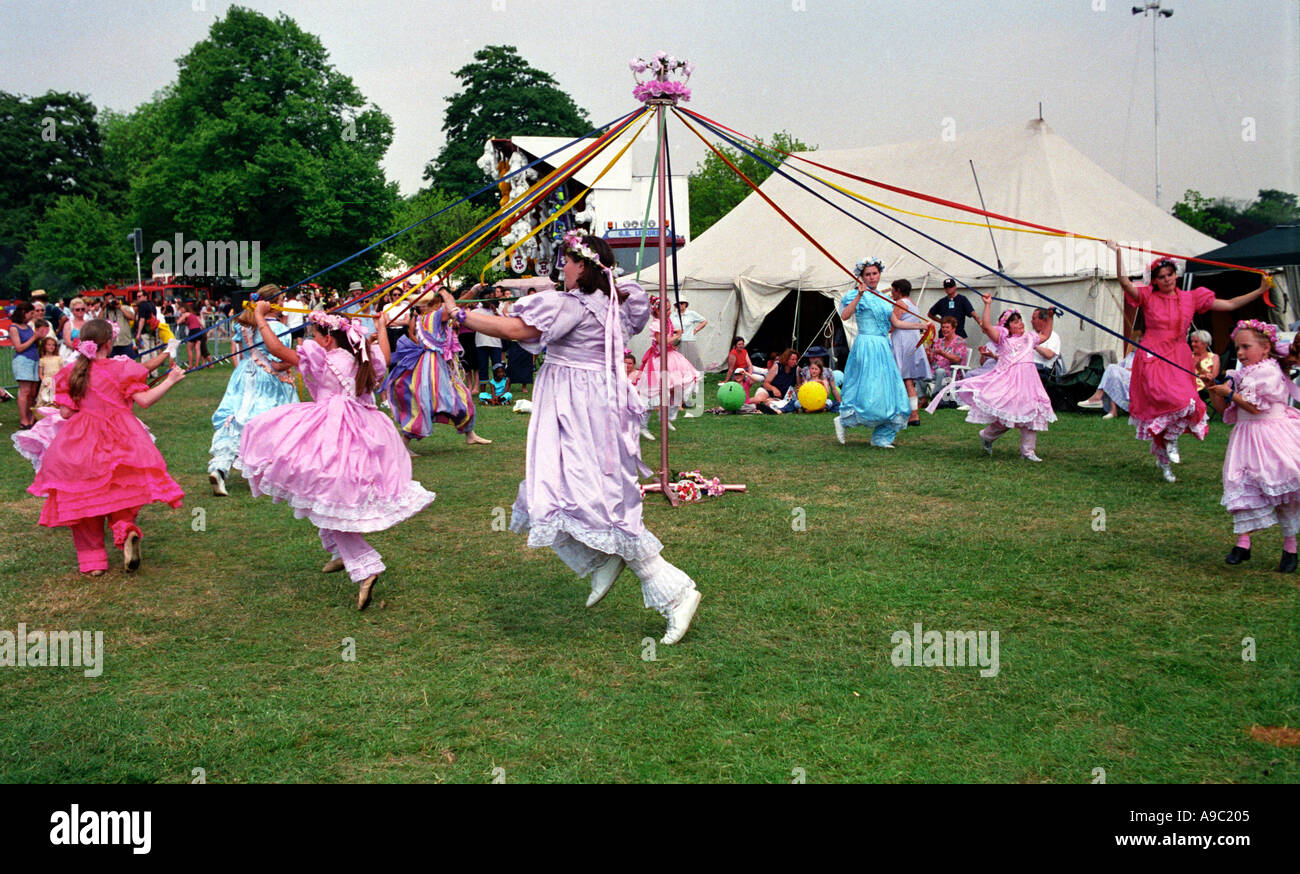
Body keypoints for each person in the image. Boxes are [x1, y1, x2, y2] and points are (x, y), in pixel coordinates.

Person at [441, 232, 701, 644]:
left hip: (577, 407)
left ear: (583, 266)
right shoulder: (609, 303)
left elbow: (512, 329)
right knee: (559, 489)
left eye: (566, 261)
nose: (560, 268)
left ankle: (675, 593)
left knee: (580, 494)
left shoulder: (574, 306)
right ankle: (602, 561)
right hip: (589, 404)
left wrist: (458, 314)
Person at [239, 303, 436, 610]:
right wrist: (381, 326)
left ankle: (366, 566)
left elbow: (277, 349)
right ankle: (337, 552)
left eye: (315, 335)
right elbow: (383, 355)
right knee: (325, 491)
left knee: (328, 497)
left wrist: (261, 318)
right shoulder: (362, 357)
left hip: (334, 431)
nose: (313, 341)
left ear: (328, 339)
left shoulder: (323, 358)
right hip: (366, 430)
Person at [26, 319, 187, 575]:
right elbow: (144, 400)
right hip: (121, 439)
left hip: (80, 441)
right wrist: (171, 380)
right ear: (109, 342)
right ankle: (125, 530)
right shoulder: (123, 368)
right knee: (119, 492)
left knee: (84, 498)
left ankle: (93, 562)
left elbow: (66, 413)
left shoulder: (72, 372)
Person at [1106, 240, 1270, 482]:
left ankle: (1168, 448)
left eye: (1170, 274)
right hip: (1153, 355)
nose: (1166, 280)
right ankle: (1167, 451)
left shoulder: (1191, 298)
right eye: (1161, 276)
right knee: (1167, 402)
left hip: (1179, 355)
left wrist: (1259, 290)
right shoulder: (1148, 297)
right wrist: (1118, 253)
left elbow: (1231, 304)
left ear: (1175, 275)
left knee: (1188, 402)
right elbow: (1124, 282)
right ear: (1154, 280)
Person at [1205, 321, 1300, 573]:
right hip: (1246, 438)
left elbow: (1255, 407)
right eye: (1238, 348)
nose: (1240, 353)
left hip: (1272, 437)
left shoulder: (1268, 373)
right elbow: (1223, 409)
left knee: (1282, 493)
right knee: (1240, 484)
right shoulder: (1242, 374)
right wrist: (1214, 387)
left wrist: (1229, 392)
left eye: (1246, 347)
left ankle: (1290, 548)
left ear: (1266, 348)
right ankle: (1242, 543)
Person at [927, 297, 1056, 461]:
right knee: (1006, 416)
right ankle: (987, 436)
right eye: (1015, 322)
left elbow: (1045, 334)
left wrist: (1050, 317)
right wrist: (987, 305)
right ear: (1007, 326)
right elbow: (987, 326)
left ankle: (1028, 451)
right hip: (1010, 382)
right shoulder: (1003, 340)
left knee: (1031, 413)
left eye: (1020, 321)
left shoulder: (1029, 338)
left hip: (1029, 383)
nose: (1020, 324)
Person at [207, 295, 299, 497]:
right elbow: (279, 360)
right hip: (269, 379)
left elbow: (240, 354)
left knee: (236, 418)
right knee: (270, 421)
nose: (282, 305)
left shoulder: (244, 325)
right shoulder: (279, 329)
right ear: (272, 304)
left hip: (243, 375)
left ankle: (220, 467)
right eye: (281, 300)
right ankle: (267, 472)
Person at [375, 289, 491, 448]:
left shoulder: (422, 318)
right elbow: (454, 306)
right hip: (432, 366)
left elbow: (453, 307)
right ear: (431, 305)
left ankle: (469, 434)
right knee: (431, 400)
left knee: (451, 396)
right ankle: (404, 445)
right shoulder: (434, 316)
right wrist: (473, 291)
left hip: (434, 365)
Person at [833, 257, 910, 447]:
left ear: (879, 274)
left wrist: (922, 325)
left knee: (887, 388)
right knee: (865, 387)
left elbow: (897, 323)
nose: (872, 277)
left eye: (875, 273)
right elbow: (845, 315)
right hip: (866, 344)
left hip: (883, 346)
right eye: (868, 274)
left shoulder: (884, 298)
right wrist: (859, 295)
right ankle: (843, 420)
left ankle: (881, 437)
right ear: (862, 277)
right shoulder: (854, 295)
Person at [638, 296, 700, 427]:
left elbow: (668, 336)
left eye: (669, 309)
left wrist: (675, 333)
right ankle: (642, 425)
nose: (669, 312)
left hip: (672, 357)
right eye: (666, 310)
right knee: (655, 392)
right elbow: (662, 341)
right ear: (657, 312)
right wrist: (676, 336)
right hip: (659, 360)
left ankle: (666, 418)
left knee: (677, 388)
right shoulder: (656, 324)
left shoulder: (667, 321)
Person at [889, 279, 932, 426]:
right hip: (912, 340)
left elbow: (893, 325)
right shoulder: (914, 304)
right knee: (908, 381)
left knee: (903, 378)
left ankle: (908, 413)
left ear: (899, 291)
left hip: (903, 341)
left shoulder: (901, 304)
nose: (891, 293)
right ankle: (913, 413)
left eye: (893, 290)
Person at [1078, 328, 1143, 419]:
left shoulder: (1147, 354)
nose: (1135, 344)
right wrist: (1122, 370)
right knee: (1113, 375)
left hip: (1139, 381)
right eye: (1135, 342)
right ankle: (1113, 411)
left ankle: (1098, 396)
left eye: (1139, 341)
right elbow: (1121, 366)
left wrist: (1129, 370)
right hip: (1127, 379)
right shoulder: (1132, 355)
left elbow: (1146, 370)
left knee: (1112, 368)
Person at [7, 301, 48, 429]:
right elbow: (19, 347)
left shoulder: (28, 327)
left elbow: (33, 342)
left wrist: (40, 337)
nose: (33, 315)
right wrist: (34, 338)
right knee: (24, 391)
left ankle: (30, 417)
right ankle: (24, 419)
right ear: (24, 313)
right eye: (31, 313)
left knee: (31, 391)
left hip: (34, 360)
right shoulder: (14, 327)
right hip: (23, 361)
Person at [926, 316, 968, 402]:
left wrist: (943, 353)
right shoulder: (939, 341)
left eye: (947, 327)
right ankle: (922, 398)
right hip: (934, 371)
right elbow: (931, 361)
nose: (944, 329)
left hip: (950, 373)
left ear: (953, 329)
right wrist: (928, 354)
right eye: (943, 327)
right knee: (920, 371)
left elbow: (957, 359)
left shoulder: (959, 341)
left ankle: (936, 399)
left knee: (940, 371)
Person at [673, 300, 708, 370]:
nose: (680, 305)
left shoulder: (691, 313)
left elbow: (704, 321)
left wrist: (696, 329)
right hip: (677, 341)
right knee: (680, 362)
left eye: (682, 303)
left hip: (689, 340)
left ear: (686, 304)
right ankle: (682, 379)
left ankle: (699, 379)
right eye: (678, 303)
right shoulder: (673, 315)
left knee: (694, 360)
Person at [102, 294, 136, 359]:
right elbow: (99, 321)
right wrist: (103, 307)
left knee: (129, 364)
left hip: (125, 342)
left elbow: (132, 317)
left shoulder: (124, 307)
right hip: (112, 344)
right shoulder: (106, 310)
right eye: (108, 300)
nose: (110, 302)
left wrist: (120, 307)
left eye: (111, 299)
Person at [1190, 329, 1221, 400]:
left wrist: (1200, 369)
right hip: (1186, 384)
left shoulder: (1214, 357)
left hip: (1203, 387)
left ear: (1205, 344)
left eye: (1196, 342)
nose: (1192, 344)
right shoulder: (1188, 355)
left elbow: (1213, 377)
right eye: (1192, 341)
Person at [60, 297, 89, 362]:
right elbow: (67, 342)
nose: (80, 311)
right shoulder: (68, 324)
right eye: (77, 309)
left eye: (82, 309)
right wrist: (80, 349)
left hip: (86, 355)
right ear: (72, 311)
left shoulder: (88, 323)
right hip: (71, 355)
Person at [36, 335, 61, 407]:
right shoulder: (42, 360)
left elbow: (62, 372)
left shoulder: (58, 358)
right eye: (49, 345)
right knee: (46, 399)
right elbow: (40, 374)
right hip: (47, 382)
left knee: (56, 400)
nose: (51, 347)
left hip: (57, 382)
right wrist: (45, 382)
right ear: (44, 346)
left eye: (53, 345)